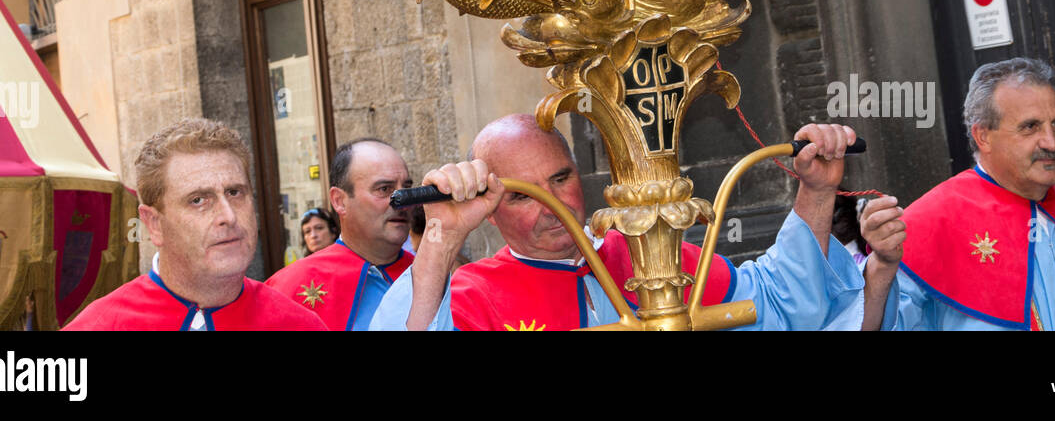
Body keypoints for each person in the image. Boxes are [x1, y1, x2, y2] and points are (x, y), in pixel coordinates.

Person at [371, 114, 885, 331]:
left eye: (561, 178)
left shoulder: (643, 255)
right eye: (525, 194)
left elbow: (782, 305)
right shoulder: (474, 296)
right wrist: (442, 238)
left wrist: (816, 192)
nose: (554, 206)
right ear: (491, 206)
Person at [861, 56, 1055, 330]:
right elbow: (874, 323)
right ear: (983, 136)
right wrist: (882, 265)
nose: (1052, 143)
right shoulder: (931, 219)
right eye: (1030, 127)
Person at [65, 118, 325, 331]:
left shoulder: (300, 325)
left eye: (235, 193)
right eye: (198, 200)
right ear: (154, 224)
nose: (228, 216)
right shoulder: (97, 328)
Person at [266, 138, 414, 330]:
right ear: (339, 201)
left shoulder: (432, 278)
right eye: (384, 189)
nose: (402, 201)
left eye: (407, 188)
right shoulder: (287, 289)